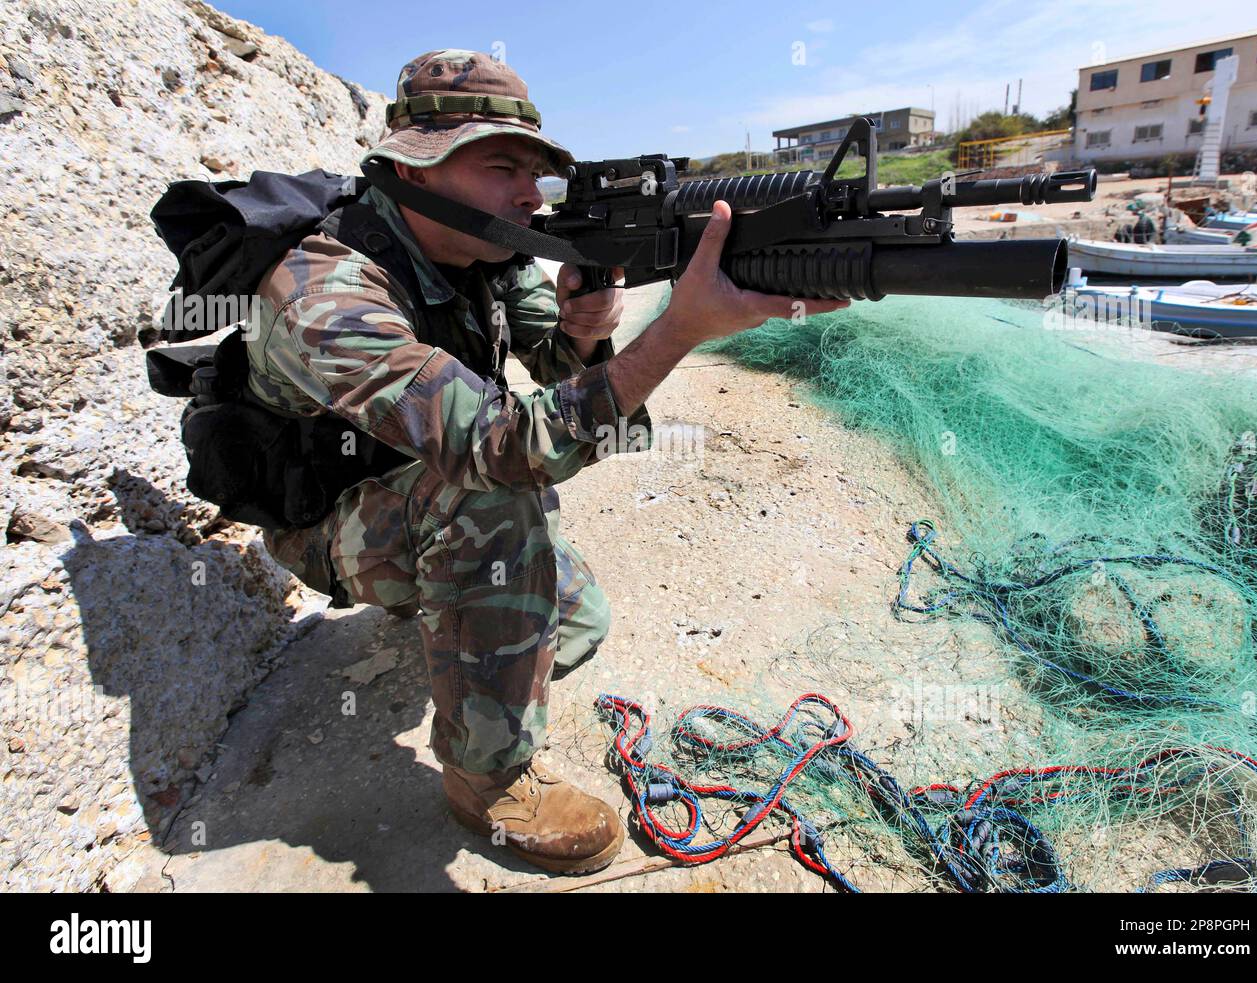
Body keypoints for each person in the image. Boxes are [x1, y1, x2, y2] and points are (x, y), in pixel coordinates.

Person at [245, 49, 848, 874]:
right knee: (490, 505)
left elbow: (561, 369)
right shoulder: (321, 287)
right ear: (413, 168)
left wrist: (590, 324)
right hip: (326, 518)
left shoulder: (483, 256)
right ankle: (487, 779)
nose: (532, 195)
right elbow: (497, 448)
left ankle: (448, 613)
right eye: (503, 167)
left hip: (411, 482)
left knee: (576, 620)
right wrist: (677, 332)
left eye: (537, 170)